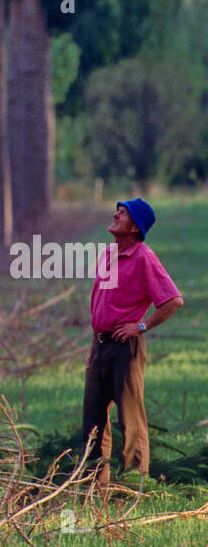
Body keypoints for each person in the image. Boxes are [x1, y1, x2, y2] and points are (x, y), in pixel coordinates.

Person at [83, 198, 183, 491]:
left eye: (123, 213)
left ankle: (134, 489)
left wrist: (141, 326)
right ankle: (94, 488)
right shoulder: (107, 254)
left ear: (135, 227)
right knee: (93, 422)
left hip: (125, 348)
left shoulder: (144, 257)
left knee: (130, 421)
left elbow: (173, 300)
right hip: (99, 346)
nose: (115, 214)